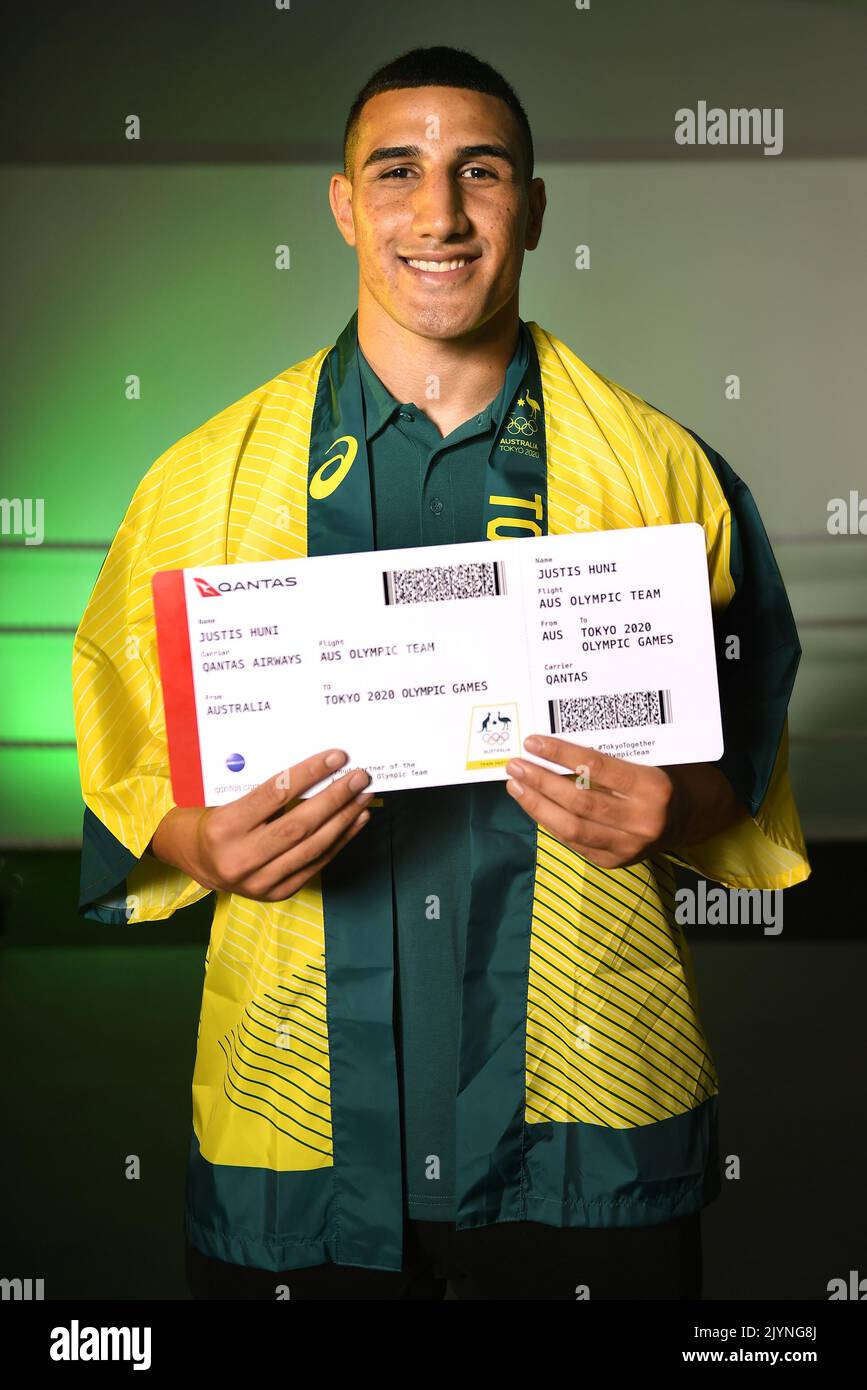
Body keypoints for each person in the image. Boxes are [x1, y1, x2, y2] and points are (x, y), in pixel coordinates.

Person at [72, 45, 810, 1301]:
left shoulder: (665, 475)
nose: (440, 212)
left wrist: (676, 805)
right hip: (291, 1135)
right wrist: (196, 843)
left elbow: (743, 766)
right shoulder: (202, 483)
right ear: (346, 205)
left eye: (480, 172)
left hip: (594, 1132)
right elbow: (123, 751)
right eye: (397, 171)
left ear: (530, 206)